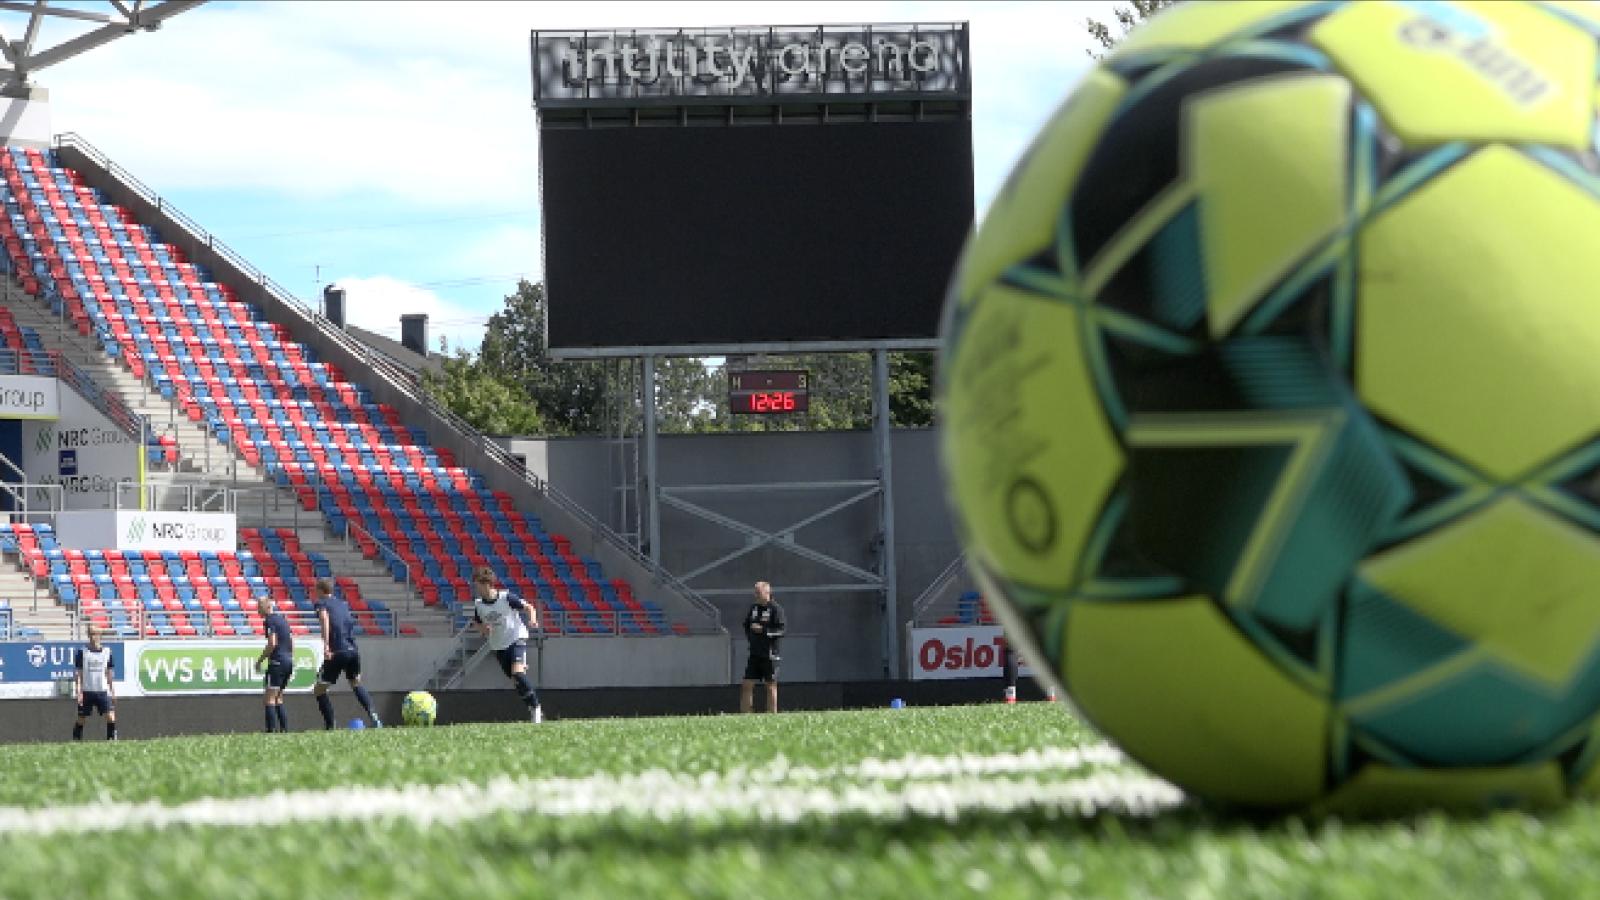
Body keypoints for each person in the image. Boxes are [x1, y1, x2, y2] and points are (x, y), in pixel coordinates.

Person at [470, 566, 543, 723]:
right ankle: (531, 706)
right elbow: (477, 622)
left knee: (517, 673)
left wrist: (533, 619)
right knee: (516, 681)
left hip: (516, 638)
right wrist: (484, 629)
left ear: (487, 584)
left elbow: (529, 607)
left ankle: (537, 708)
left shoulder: (506, 597)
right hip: (498, 646)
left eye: (478, 585)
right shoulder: (478, 605)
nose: (476, 589)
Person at [312, 579, 381, 730]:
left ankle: (331, 725)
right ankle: (374, 715)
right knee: (356, 683)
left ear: (321, 591)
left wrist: (326, 645)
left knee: (319, 689)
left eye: (316, 590)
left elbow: (324, 618)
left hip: (337, 650)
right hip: (352, 650)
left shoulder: (322, 603)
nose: (315, 593)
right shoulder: (343, 604)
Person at [740, 581, 785, 713]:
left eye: (759, 593)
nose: (756, 596)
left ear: (767, 593)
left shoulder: (776, 609)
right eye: (755, 593)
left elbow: (781, 631)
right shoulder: (754, 609)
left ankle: (772, 714)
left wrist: (763, 631)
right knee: (747, 684)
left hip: (770, 654)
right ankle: (745, 714)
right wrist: (751, 636)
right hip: (754, 653)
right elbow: (746, 625)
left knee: (770, 685)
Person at [255, 594, 293, 733]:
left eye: (259, 607)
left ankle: (270, 730)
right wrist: (290, 657)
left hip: (277, 662)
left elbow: (272, 643)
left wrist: (260, 660)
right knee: (278, 698)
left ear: (266, 607)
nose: (257, 610)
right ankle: (284, 729)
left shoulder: (269, 621)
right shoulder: (283, 619)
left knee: (269, 699)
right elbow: (292, 640)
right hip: (288, 661)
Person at [72, 625, 117, 741]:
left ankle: (111, 739)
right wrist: (79, 691)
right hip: (87, 690)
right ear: (88, 636)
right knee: (81, 717)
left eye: (96, 634)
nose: (94, 637)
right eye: (92, 634)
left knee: (111, 716)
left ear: (100, 636)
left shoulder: (107, 652)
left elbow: (109, 673)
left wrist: (112, 691)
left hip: (102, 690)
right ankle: (76, 739)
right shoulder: (83, 652)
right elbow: (79, 674)